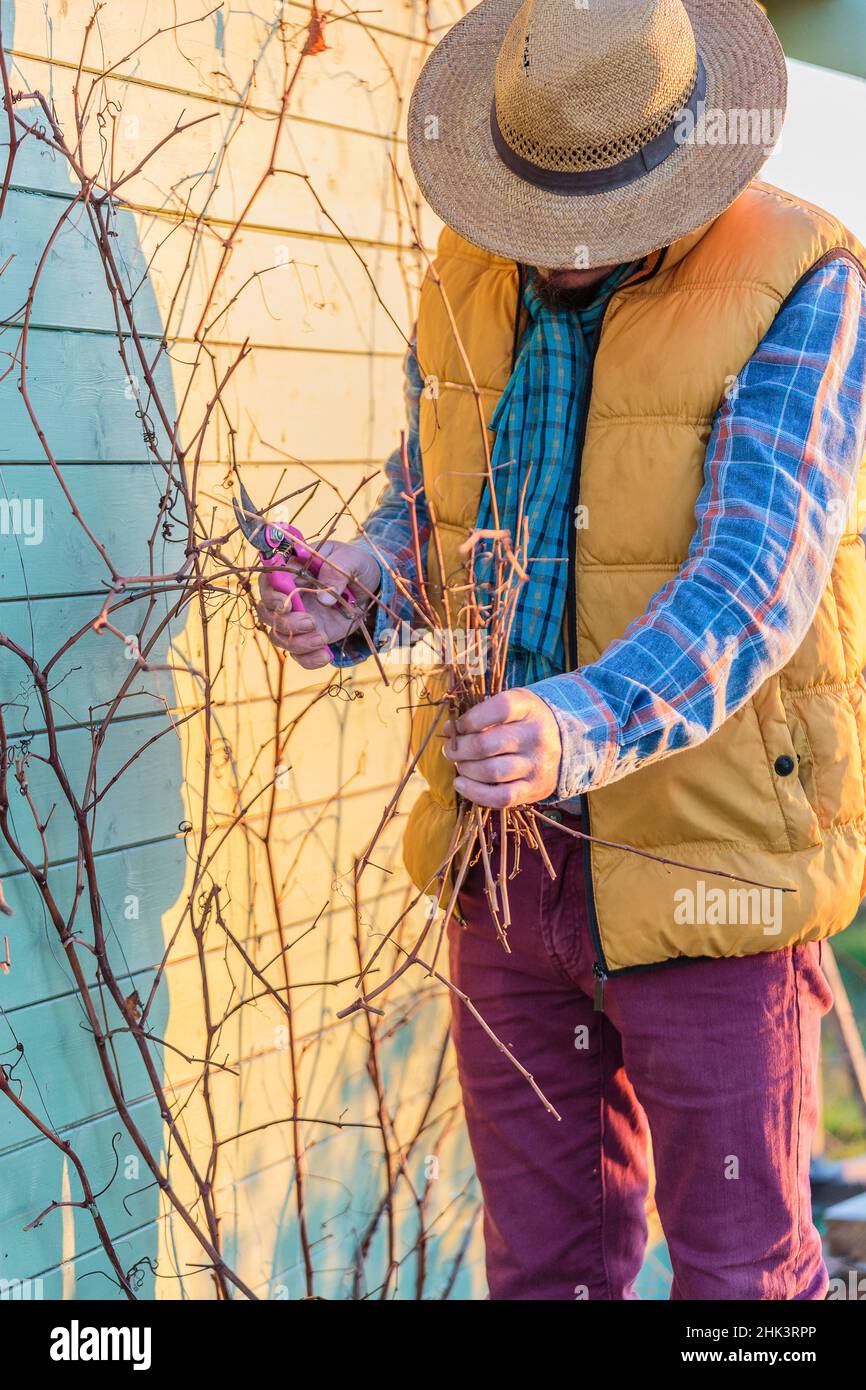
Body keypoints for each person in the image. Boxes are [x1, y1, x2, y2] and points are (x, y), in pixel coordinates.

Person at [257, 0, 866, 1299]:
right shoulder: (464, 273)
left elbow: (753, 585)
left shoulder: (801, 275)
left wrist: (576, 725)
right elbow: (436, 519)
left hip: (709, 866)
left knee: (739, 1279)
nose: (562, 250)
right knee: (544, 1268)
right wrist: (355, 592)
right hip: (508, 874)